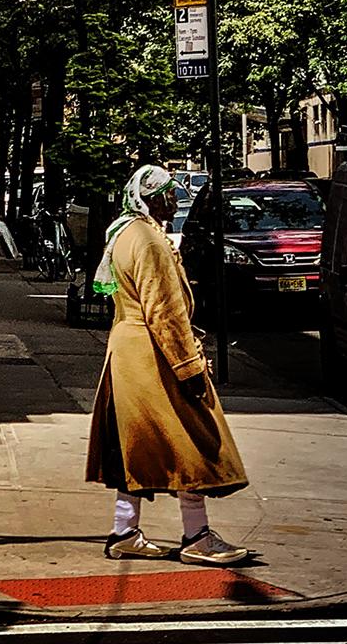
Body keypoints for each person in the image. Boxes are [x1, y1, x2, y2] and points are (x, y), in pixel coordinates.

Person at [85, 164, 250, 566]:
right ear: (151, 198)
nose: (176, 200)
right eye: (169, 193)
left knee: (138, 448)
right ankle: (197, 536)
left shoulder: (124, 232)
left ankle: (125, 532)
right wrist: (189, 367)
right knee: (190, 445)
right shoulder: (149, 242)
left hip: (128, 354)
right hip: (155, 356)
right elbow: (166, 312)